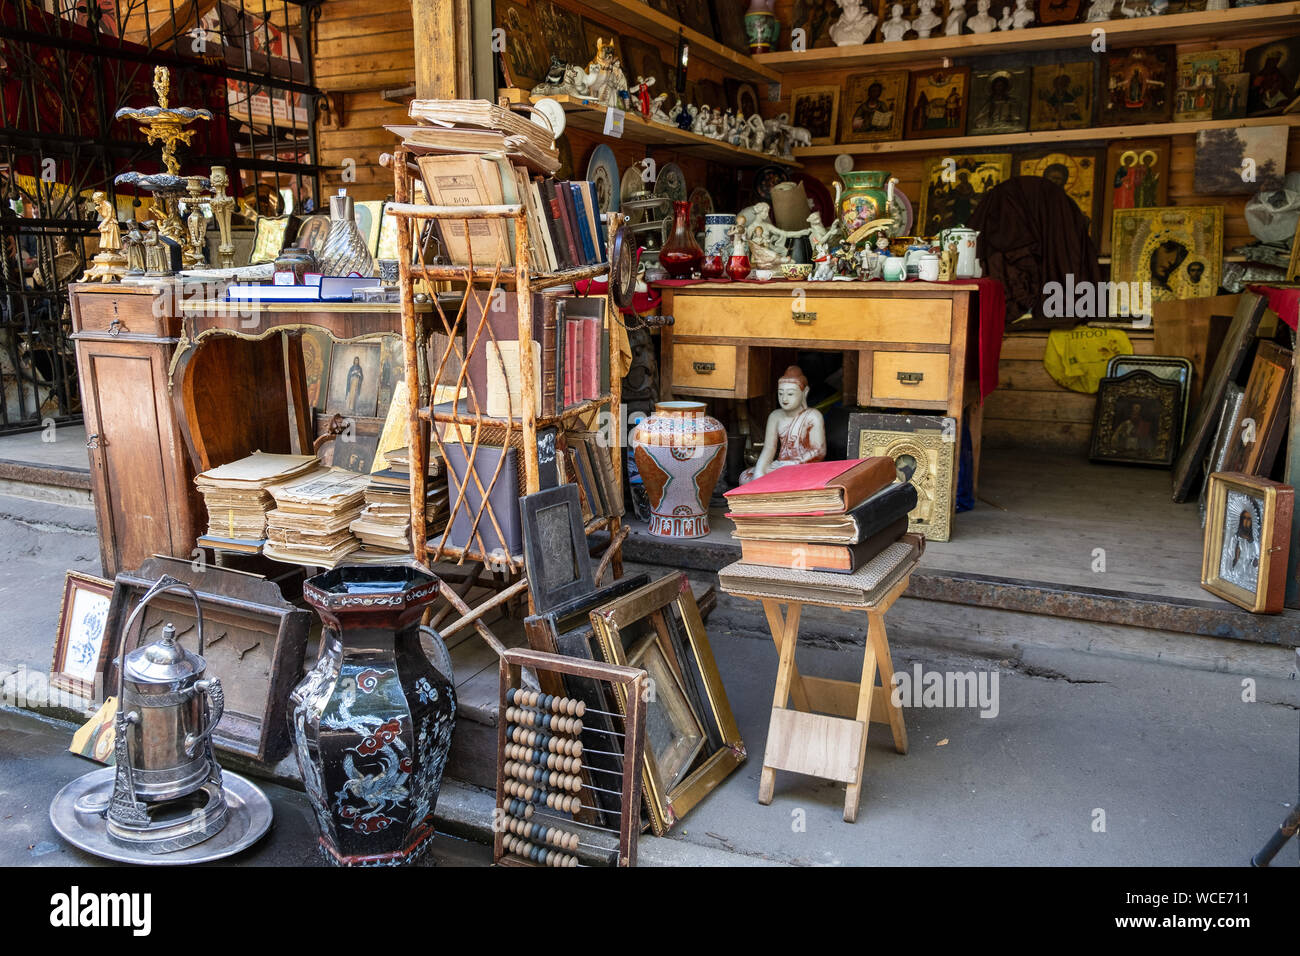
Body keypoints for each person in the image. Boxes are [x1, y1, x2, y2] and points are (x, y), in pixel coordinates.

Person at [738, 366, 827, 483]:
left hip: (804, 467)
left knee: (808, 481)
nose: (784, 399)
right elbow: (769, 448)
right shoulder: (775, 416)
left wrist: (793, 463)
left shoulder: (813, 416)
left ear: (804, 392)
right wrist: (759, 472)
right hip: (781, 465)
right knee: (745, 477)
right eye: (780, 394)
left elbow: (819, 451)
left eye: (790, 394)